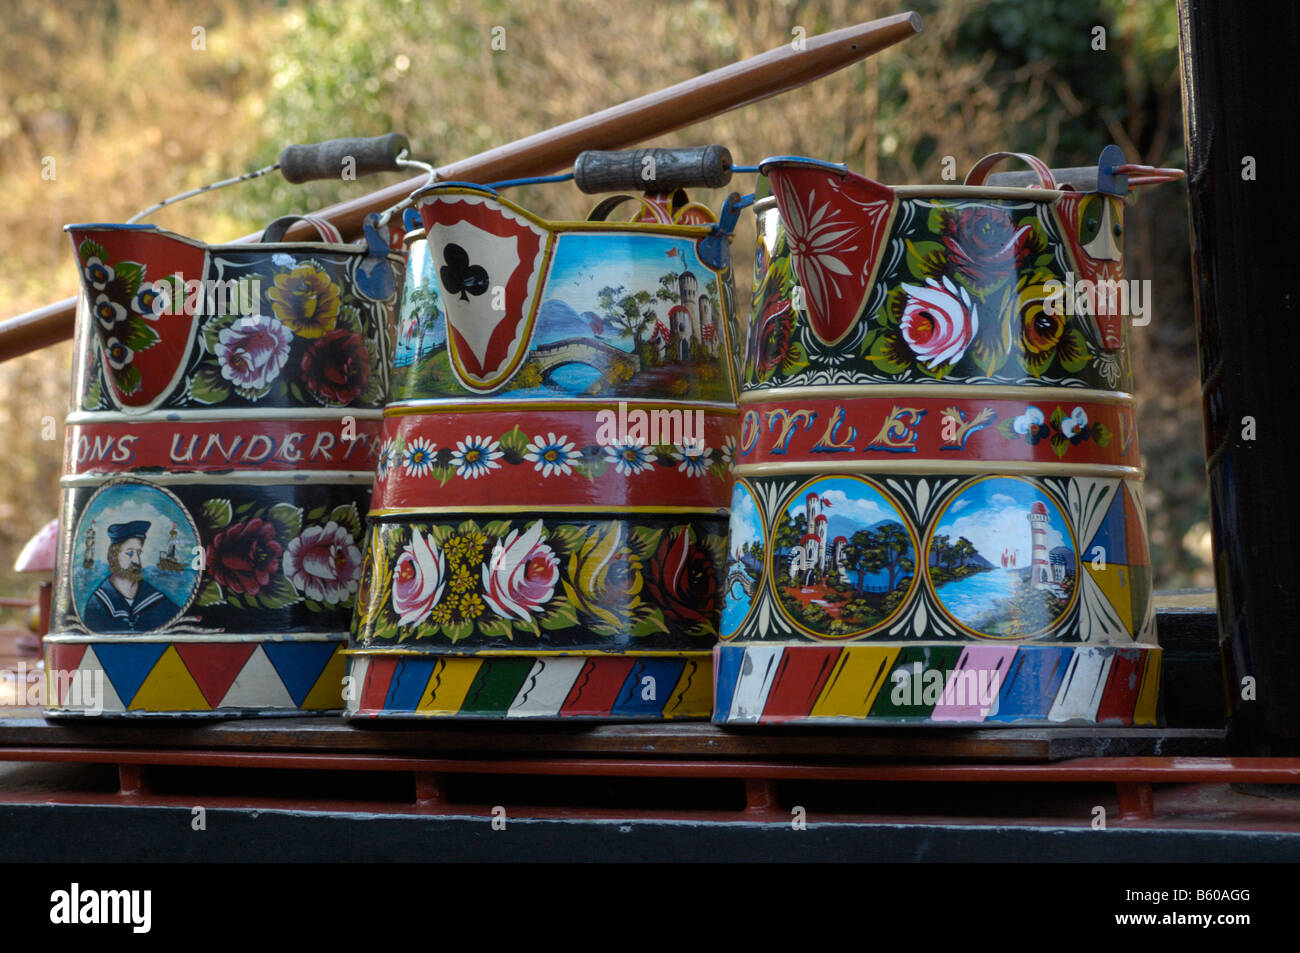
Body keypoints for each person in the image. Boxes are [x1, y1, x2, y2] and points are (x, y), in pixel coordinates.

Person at [82, 521, 181, 633]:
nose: (136, 560)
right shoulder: (97, 605)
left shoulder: (159, 602)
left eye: (138, 553)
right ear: (113, 556)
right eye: (129, 554)